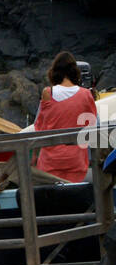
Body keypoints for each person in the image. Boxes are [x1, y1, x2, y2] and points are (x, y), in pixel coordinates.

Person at [33, 51, 97, 182]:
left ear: (55, 71)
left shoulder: (48, 93)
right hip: (76, 161)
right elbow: (93, 127)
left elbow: (40, 127)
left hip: (51, 162)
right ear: (75, 71)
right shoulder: (86, 95)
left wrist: (33, 156)